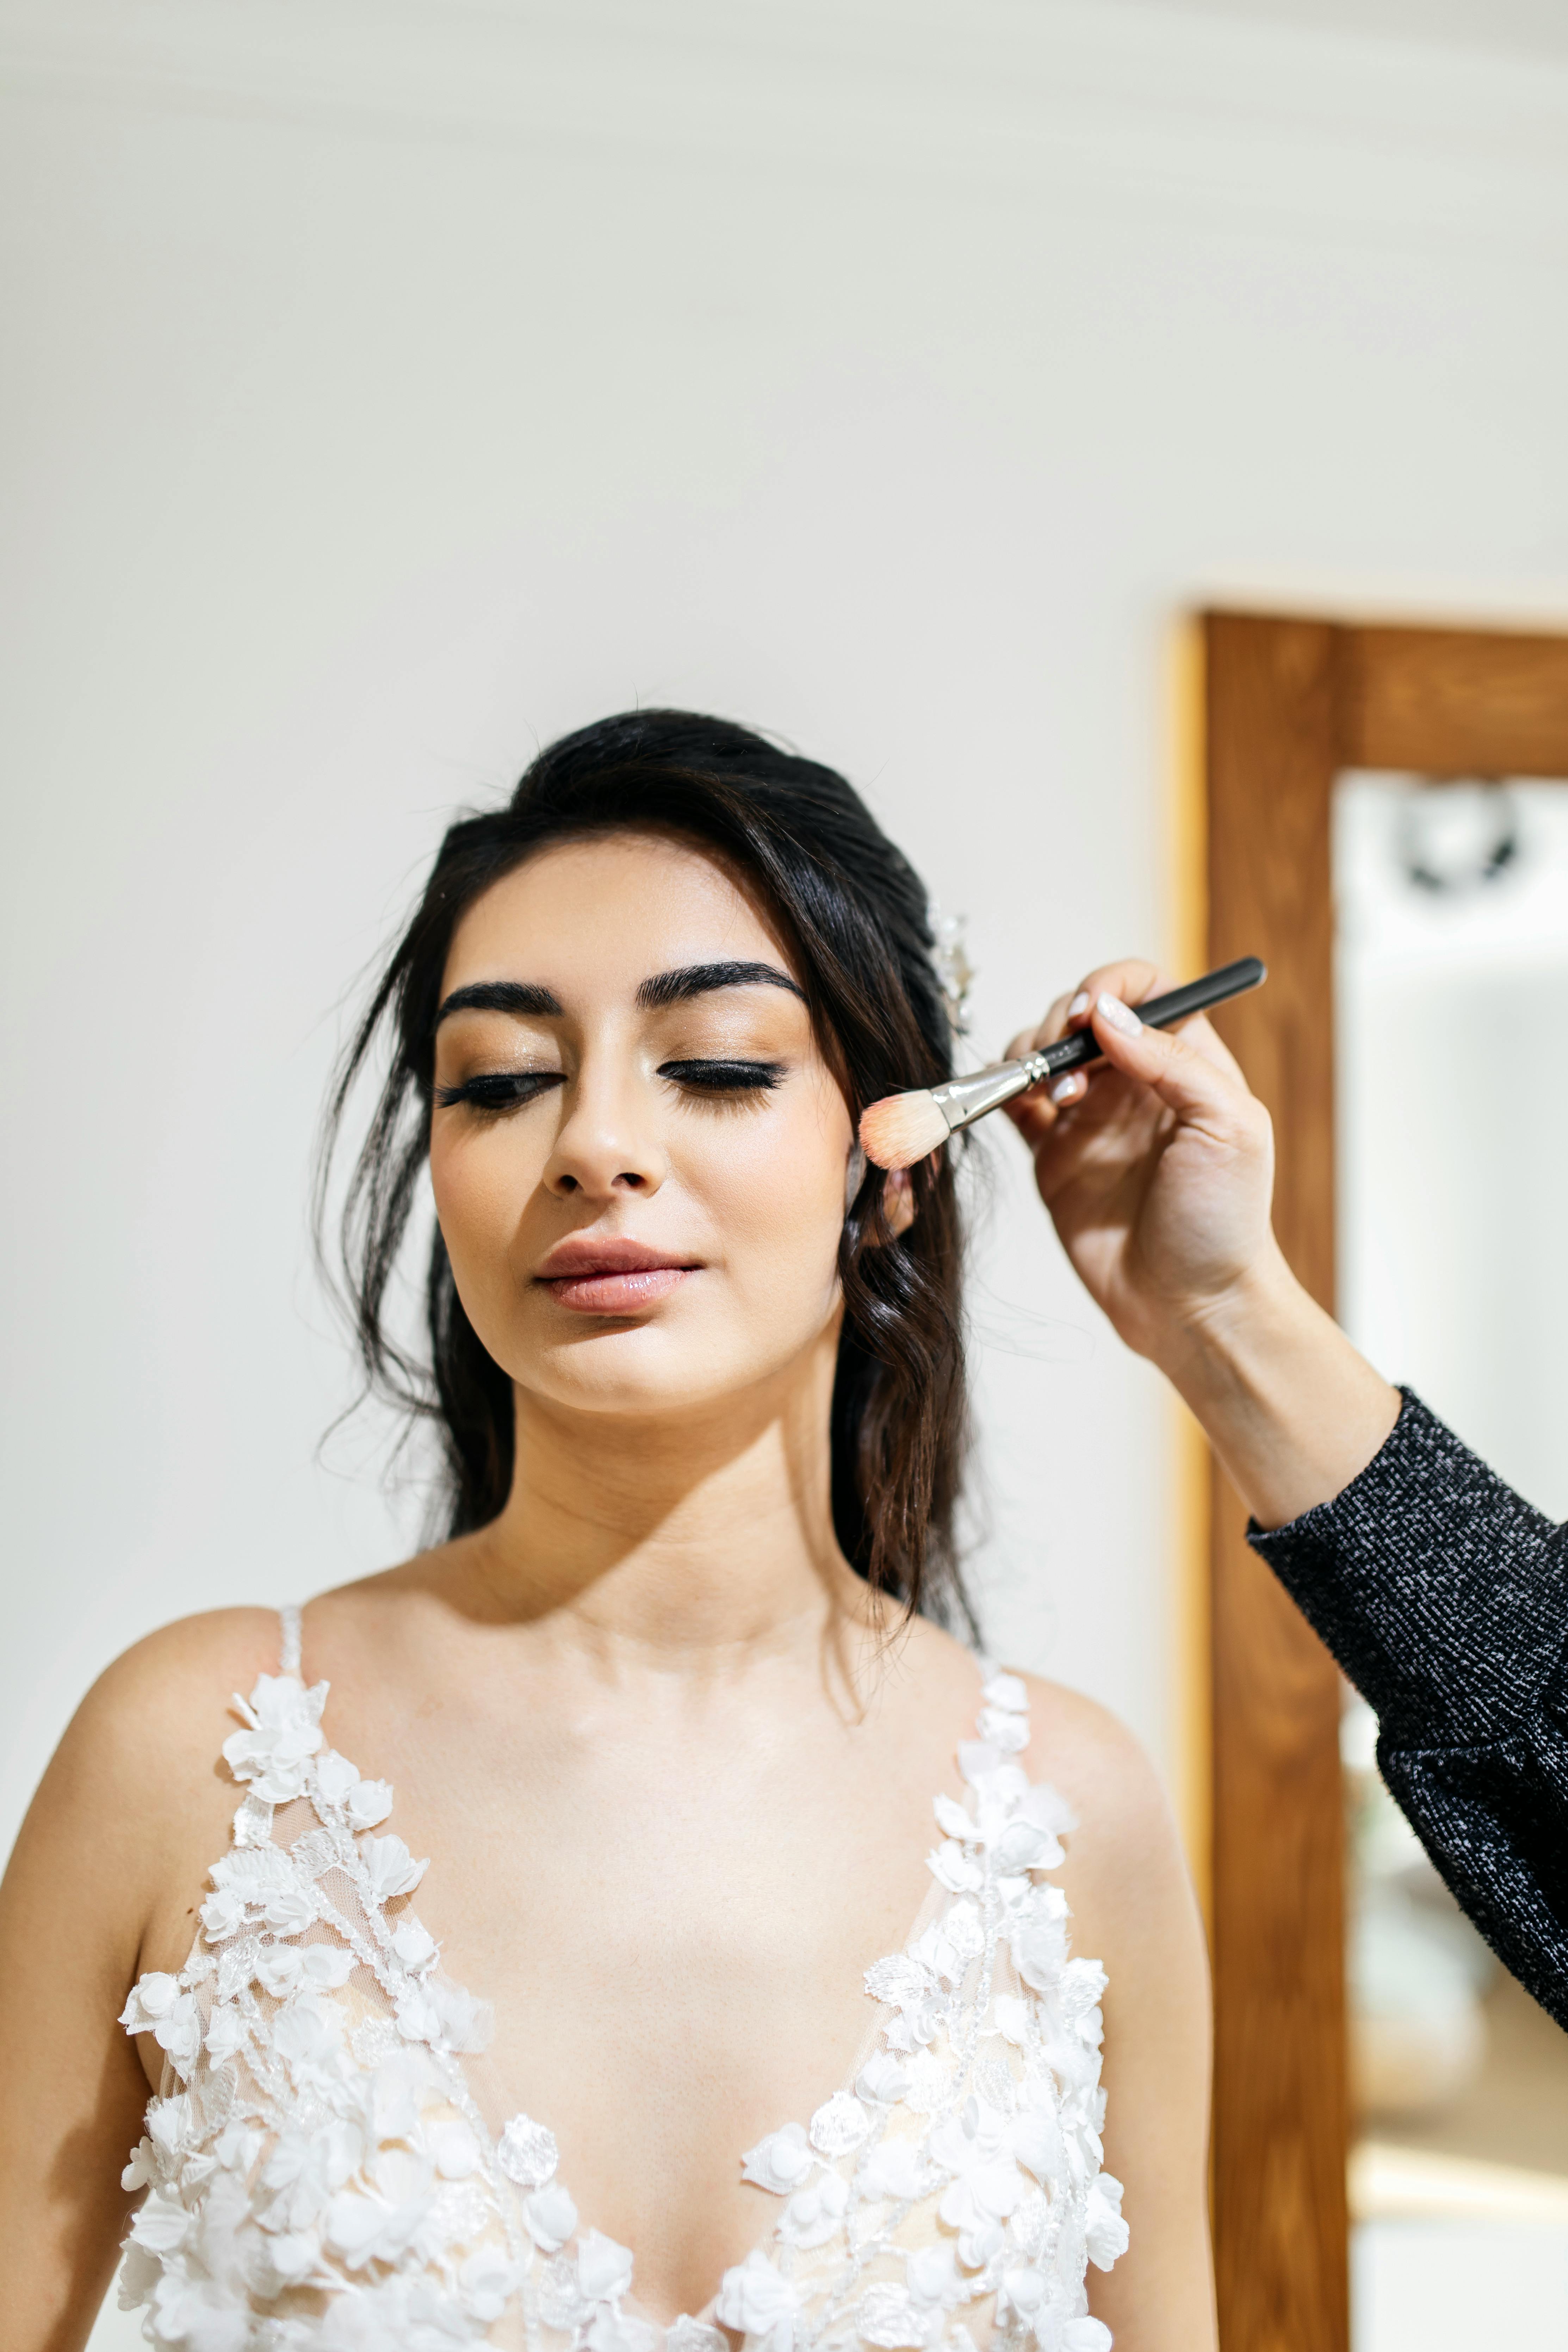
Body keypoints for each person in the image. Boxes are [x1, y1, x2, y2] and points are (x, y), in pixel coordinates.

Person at [0, 717, 1214, 2352]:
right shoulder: (191, 1752)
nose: (591, 1145)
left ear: (898, 1160)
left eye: (714, 1064)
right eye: (501, 1082)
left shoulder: (1077, 1815)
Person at [1004, 960, 1568, 2034]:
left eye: (718, 1069)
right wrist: (1214, 1304)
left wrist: (1221, 1304)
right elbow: (1540, 1697)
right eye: (563, 1075)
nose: (604, 1150)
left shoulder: (1063, 1781)